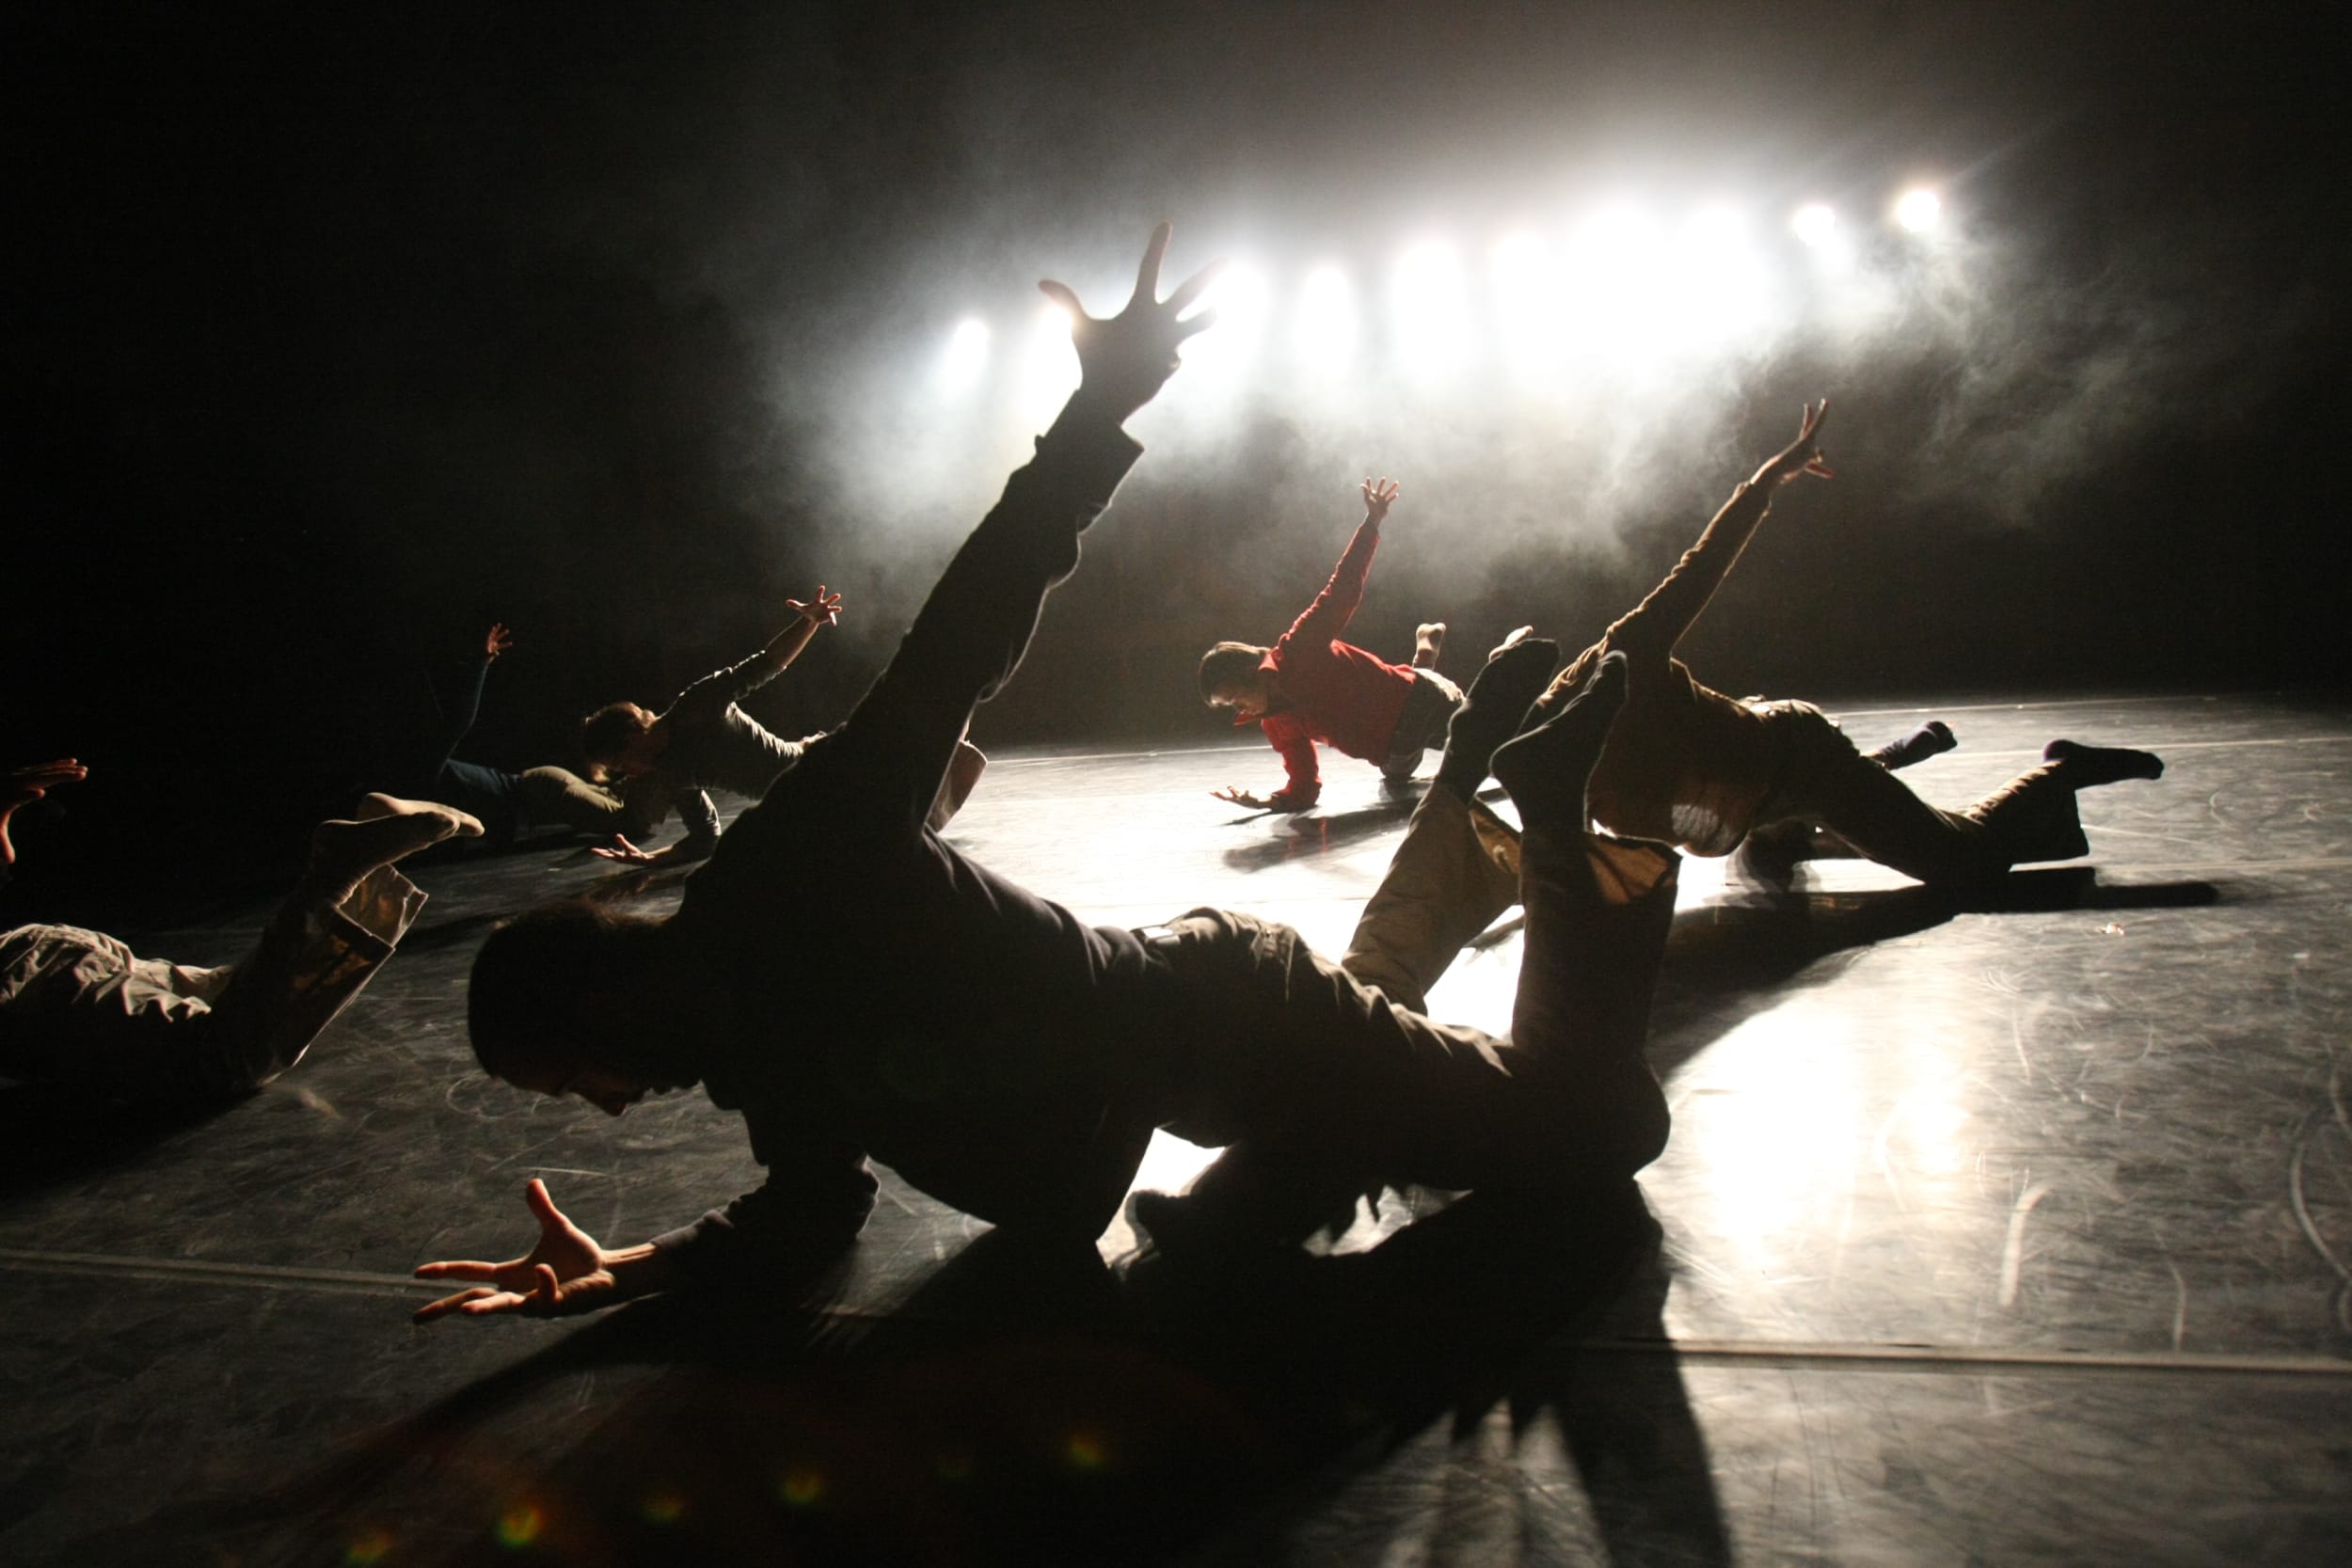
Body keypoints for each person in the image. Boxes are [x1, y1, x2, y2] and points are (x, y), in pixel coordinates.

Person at [411, 225, 1686, 1323]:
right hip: (1217, 1081)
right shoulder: (759, 1056)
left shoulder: (797, 862)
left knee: (1602, 1130)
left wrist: (1094, 417)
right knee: (1357, 1088)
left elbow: (953, 642)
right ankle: (1462, 820)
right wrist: (629, 1269)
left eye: (570, 1079)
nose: (604, 1113)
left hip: (1241, 1018)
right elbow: (809, 1212)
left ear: (602, 1008)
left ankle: (1554, 824)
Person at [1521, 403, 2162, 886]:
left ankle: (2062, 769)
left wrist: (1770, 476)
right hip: (1750, 803)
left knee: (1962, 857)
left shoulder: (1623, 659)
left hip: (1795, 761)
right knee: (1776, 849)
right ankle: (1885, 765)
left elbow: (1701, 565)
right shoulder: (1543, 767)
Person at [1, 767, 480, 1102]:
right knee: (247, 995)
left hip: (24, 983)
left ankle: (336, 874)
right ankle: (364, 854)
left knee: (226, 1055)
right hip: (45, 951)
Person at [1200, 477, 1462, 812]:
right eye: (1229, 706)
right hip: (1391, 751)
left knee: (1486, 746)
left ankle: (1479, 659)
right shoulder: (1276, 723)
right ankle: (1424, 654)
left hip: (1418, 703)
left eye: (1236, 697)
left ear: (1254, 674)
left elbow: (1343, 589)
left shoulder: (1300, 648)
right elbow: (1305, 786)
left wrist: (1372, 522)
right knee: (1396, 777)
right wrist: (1264, 801)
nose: (1241, 710)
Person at [390, 622, 636, 847]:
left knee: (628, 821)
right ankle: (655, 766)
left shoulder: (426, 769)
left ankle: (662, 763)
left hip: (540, 792)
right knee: (620, 798)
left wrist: (480, 665)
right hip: (540, 792)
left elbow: (459, 722)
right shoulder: (420, 795)